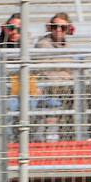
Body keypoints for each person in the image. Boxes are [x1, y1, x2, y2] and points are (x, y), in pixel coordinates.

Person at [35, 11, 77, 139]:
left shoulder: (69, 46)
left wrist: (64, 74)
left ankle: (71, 135)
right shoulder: (43, 44)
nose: (58, 30)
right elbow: (45, 71)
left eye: (62, 27)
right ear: (50, 27)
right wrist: (65, 75)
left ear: (67, 29)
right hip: (48, 86)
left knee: (87, 92)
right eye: (55, 26)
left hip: (65, 86)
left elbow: (72, 70)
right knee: (75, 94)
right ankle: (68, 135)